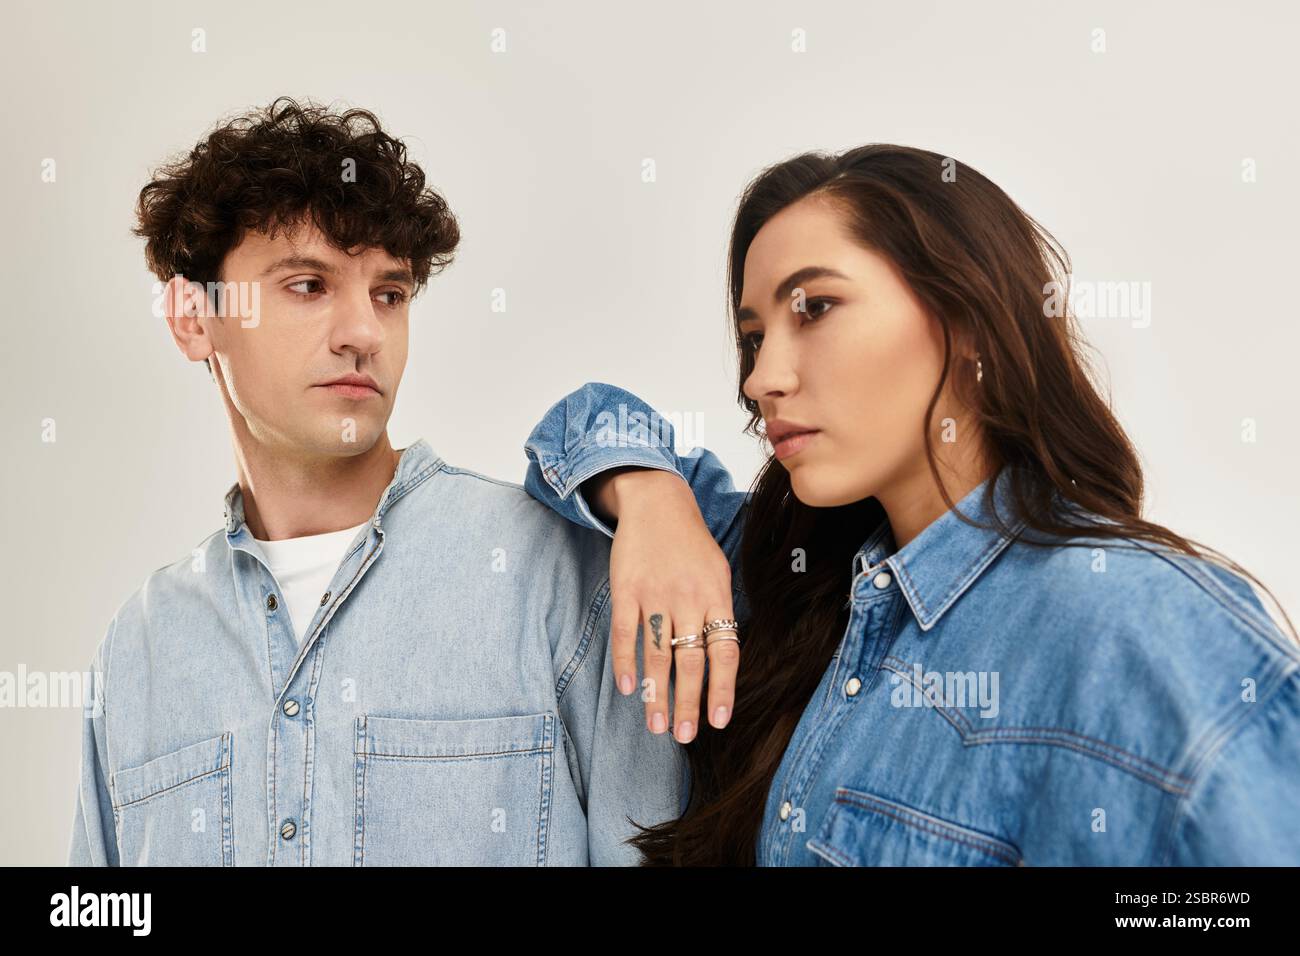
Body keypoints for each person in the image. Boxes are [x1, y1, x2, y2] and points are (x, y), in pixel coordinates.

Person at [523, 144, 1300, 865]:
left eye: (815, 308)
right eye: (754, 335)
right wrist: (653, 501)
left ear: (966, 320)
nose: (762, 378)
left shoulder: (1139, 626)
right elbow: (583, 422)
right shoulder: (790, 572)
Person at [67, 97, 683, 867]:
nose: (363, 333)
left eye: (388, 294)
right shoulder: (140, 648)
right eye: (307, 286)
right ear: (194, 319)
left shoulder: (558, 578)